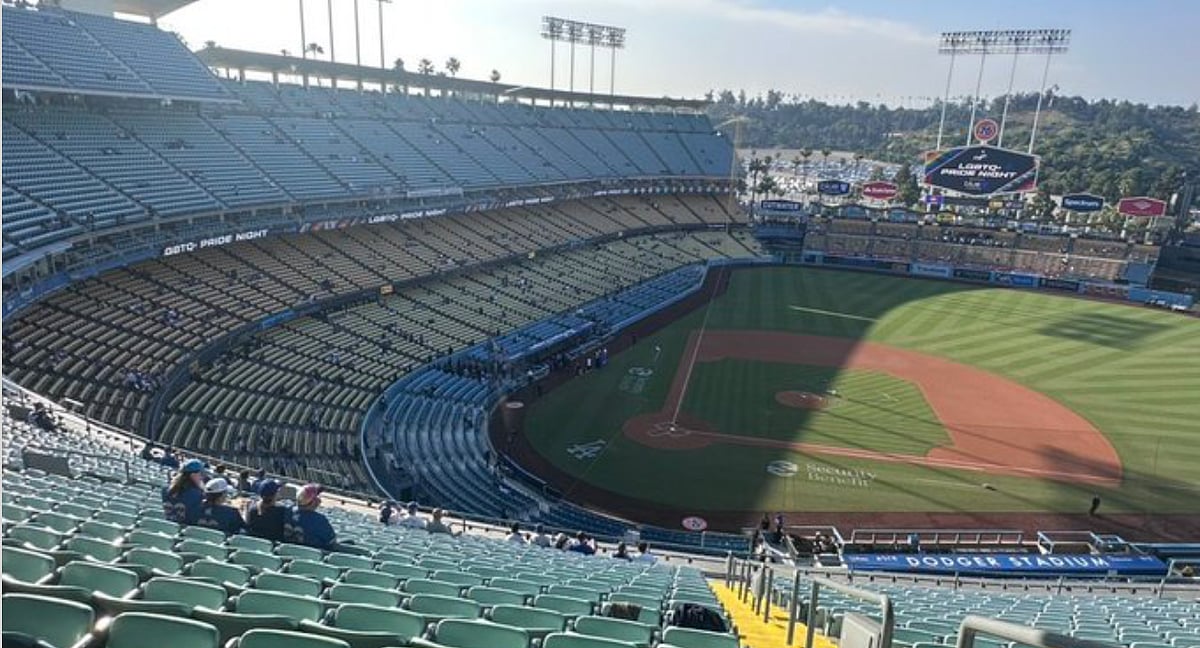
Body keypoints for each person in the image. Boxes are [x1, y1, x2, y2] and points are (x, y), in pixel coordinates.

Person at [283, 484, 337, 550]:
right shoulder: (319, 520)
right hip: (313, 557)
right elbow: (331, 542)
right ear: (314, 502)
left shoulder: (286, 511)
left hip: (285, 551)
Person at [162, 459, 207, 525]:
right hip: (186, 531)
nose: (202, 477)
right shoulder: (198, 494)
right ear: (192, 474)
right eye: (201, 473)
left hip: (167, 527)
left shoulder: (165, 490)